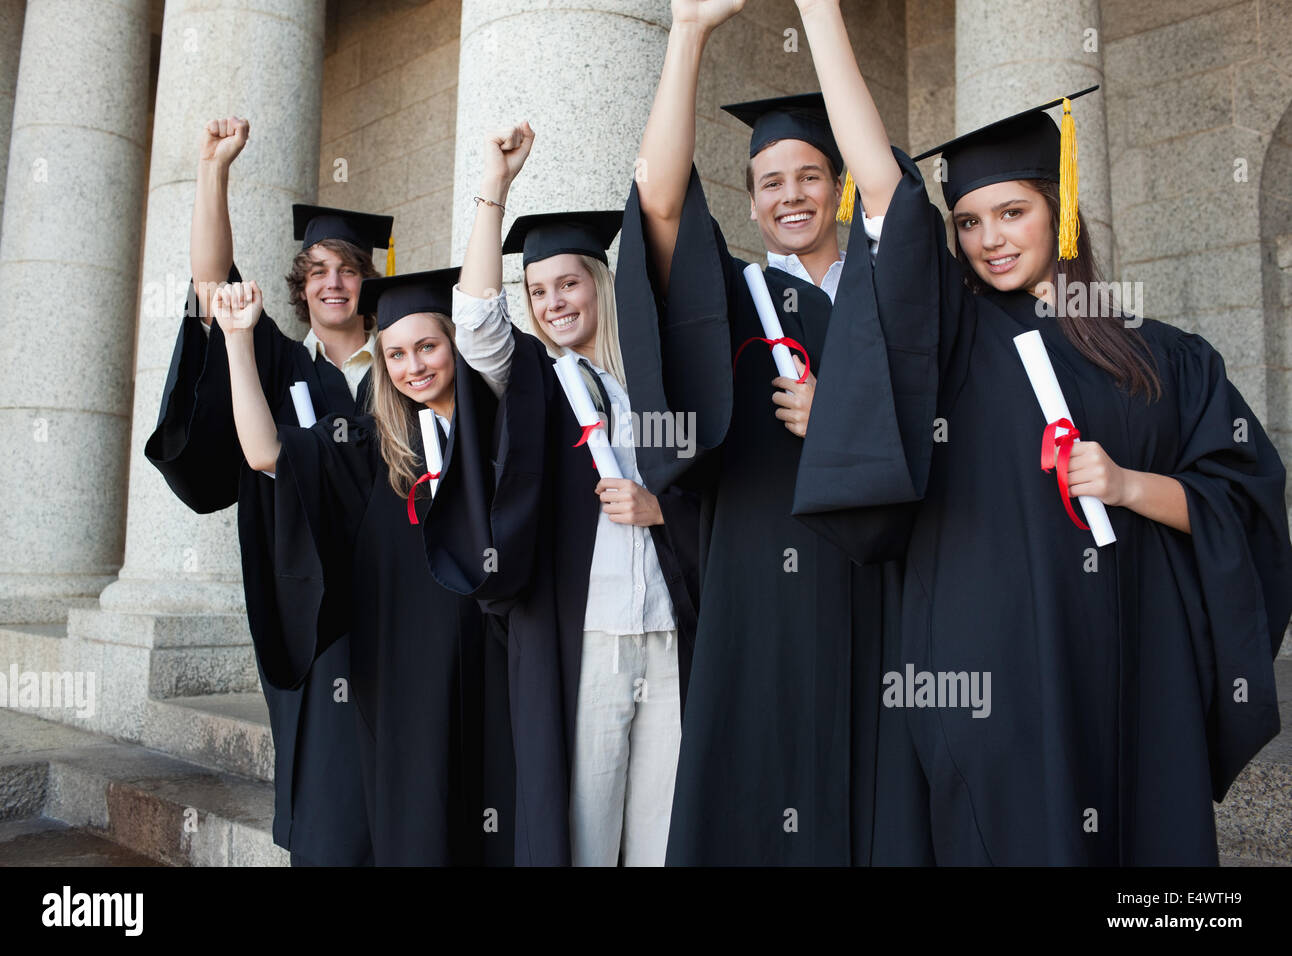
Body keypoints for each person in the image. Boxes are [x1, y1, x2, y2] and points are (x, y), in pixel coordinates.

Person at [788, 0, 1292, 863]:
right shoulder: (952, 337)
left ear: (1059, 211)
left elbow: (1241, 500)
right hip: (992, 667)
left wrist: (1127, 484)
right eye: (970, 222)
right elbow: (882, 189)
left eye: (1012, 212)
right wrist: (819, 11)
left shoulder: (1165, 357)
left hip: (1137, 660)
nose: (989, 240)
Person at [617, 0, 930, 865]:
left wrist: (846, 417)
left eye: (809, 176)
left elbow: (895, 206)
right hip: (759, 578)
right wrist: (687, 38)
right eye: (770, 182)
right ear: (751, 203)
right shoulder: (736, 301)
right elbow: (660, 204)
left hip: (878, 577)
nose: (791, 195)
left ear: (837, 185)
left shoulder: (885, 293)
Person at [426, 122, 700, 866]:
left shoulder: (650, 384)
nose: (552, 303)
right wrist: (495, 191)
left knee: (661, 833)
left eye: (568, 283)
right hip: (589, 640)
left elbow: (704, 495)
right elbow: (479, 326)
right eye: (538, 290)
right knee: (582, 832)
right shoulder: (538, 383)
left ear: (600, 285)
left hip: (667, 635)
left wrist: (659, 509)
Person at [144, 116, 389, 865]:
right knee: (331, 803)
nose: (333, 283)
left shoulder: (408, 365)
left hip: (404, 606)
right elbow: (211, 287)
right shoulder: (284, 366)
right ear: (301, 286)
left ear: (368, 278)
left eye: (347, 267)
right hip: (317, 614)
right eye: (317, 271)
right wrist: (215, 170)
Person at [213, 267, 510, 866]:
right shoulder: (370, 443)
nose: (414, 367)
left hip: (494, 664)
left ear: (455, 344)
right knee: (416, 827)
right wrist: (238, 342)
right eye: (396, 354)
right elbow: (266, 453)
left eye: (428, 347)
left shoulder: (502, 431)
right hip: (401, 677)